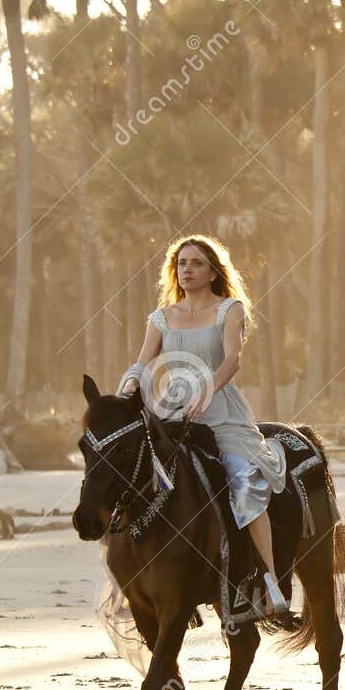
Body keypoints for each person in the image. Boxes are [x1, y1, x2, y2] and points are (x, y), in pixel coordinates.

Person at [116, 234, 294, 626]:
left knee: (244, 481)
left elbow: (233, 360)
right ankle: (148, 579)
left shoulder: (228, 310)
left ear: (214, 271)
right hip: (173, 411)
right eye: (182, 263)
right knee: (142, 482)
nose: (188, 270)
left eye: (197, 263)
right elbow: (143, 361)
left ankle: (268, 579)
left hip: (221, 411)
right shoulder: (162, 317)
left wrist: (207, 388)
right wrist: (127, 386)